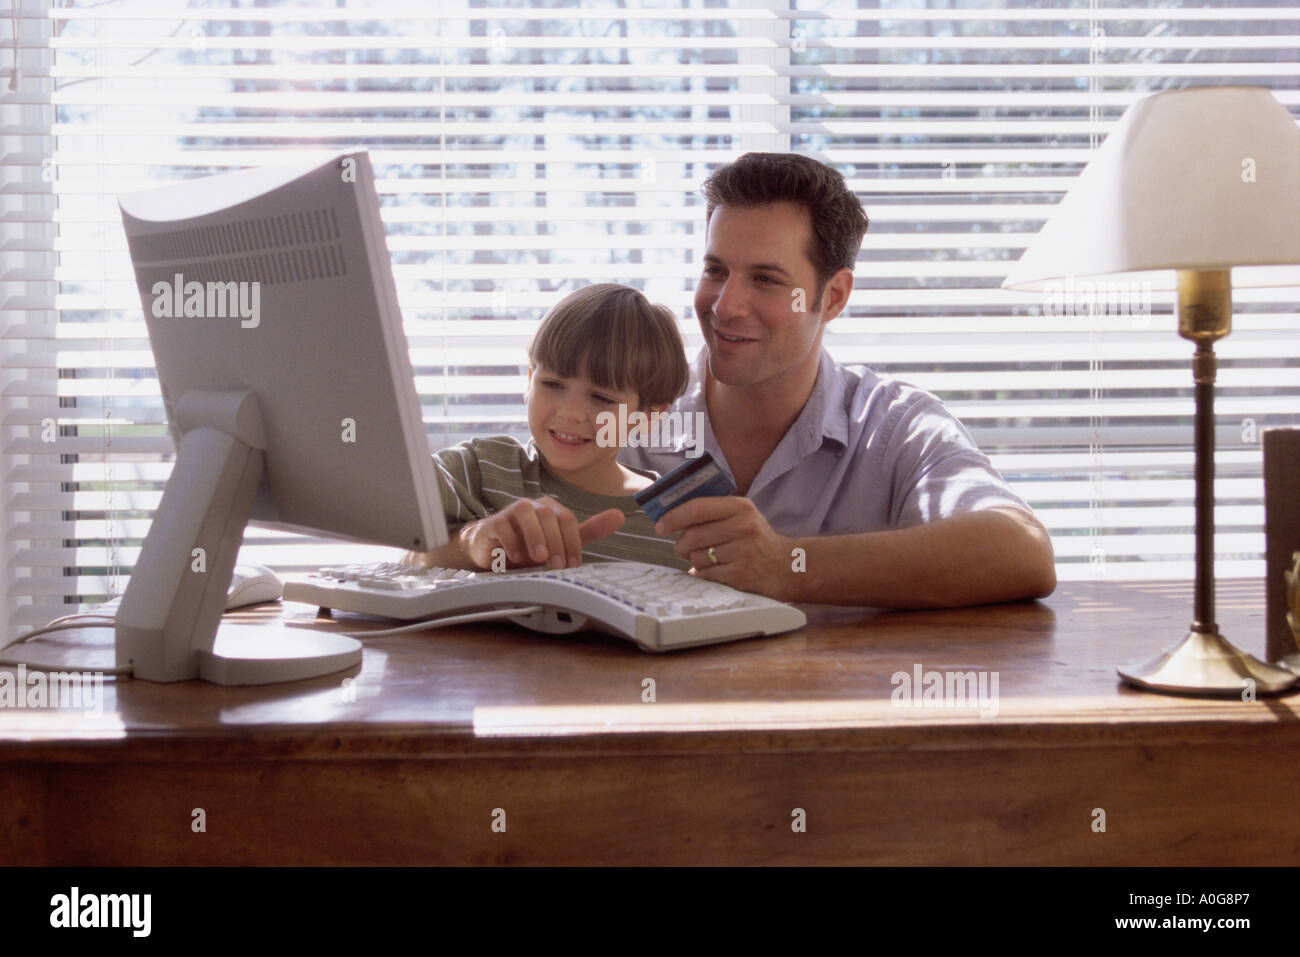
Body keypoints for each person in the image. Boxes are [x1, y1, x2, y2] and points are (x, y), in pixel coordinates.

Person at [619, 152, 1057, 608]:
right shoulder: (626, 413)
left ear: (832, 297)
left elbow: (1023, 550)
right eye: (716, 271)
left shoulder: (896, 428)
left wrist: (788, 565)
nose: (726, 306)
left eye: (766, 280)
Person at [409, 283, 692, 572]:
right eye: (552, 384)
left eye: (602, 398)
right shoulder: (478, 469)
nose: (569, 413)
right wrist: (473, 545)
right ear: (529, 381)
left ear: (648, 415)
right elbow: (406, 554)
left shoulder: (679, 524)